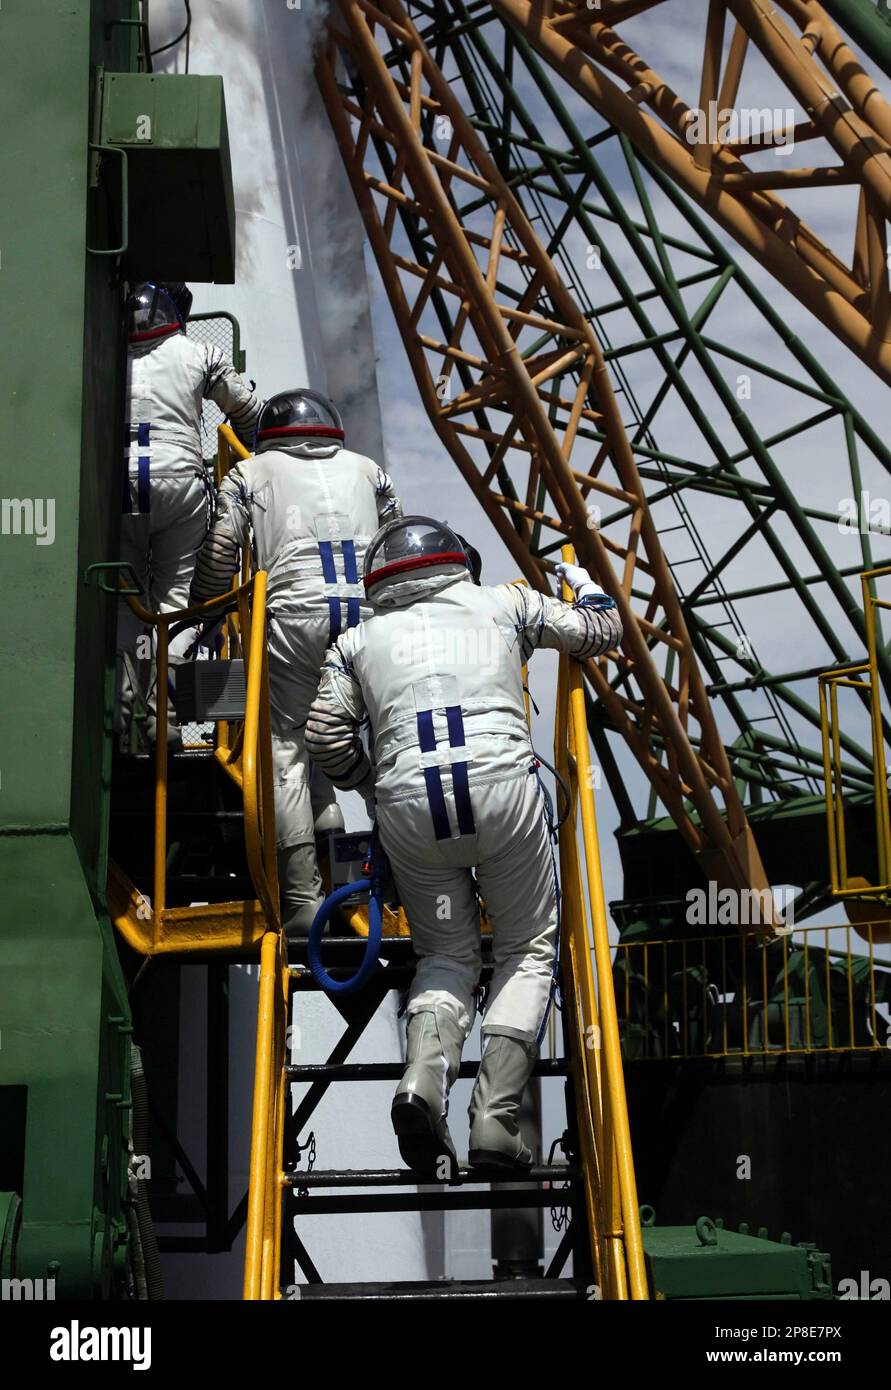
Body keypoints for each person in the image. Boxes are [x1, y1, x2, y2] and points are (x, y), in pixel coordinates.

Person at [305, 517, 622, 1176]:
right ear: (457, 564)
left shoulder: (357, 640)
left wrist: (378, 789)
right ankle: (494, 1122)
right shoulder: (503, 601)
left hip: (410, 814)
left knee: (446, 954)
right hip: (504, 794)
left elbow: (325, 739)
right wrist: (588, 590)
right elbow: (600, 634)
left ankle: (420, 1087)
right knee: (528, 949)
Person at [190, 388, 402, 935]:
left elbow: (219, 548)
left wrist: (204, 611)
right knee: (379, 740)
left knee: (288, 746)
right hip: (366, 614)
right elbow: (398, 543)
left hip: (292, 617)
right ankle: (402, 871)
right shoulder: (367, 470)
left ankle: (304, 901)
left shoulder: (251, 471)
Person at [118, 282, 261, 746]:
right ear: (176, 317)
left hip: (120, 485)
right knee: (181, 601)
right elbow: (248, 409)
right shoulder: (198, 351)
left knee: (125, 602)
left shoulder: (105, 353)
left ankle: (120, 713)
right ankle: (165, 720)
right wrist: (244, 460)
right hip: (181, 482)